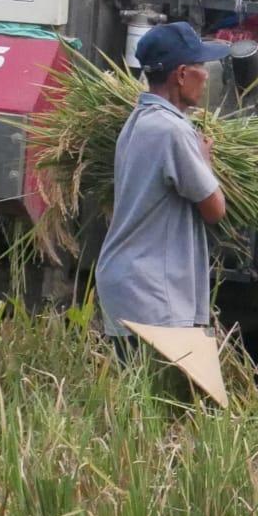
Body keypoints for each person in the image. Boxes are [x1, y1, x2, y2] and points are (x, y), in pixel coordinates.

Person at [94, 22, 228, 347]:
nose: (207, 75)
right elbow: (215, 209)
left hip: (131, 285)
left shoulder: (139, 120)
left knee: (140, 393)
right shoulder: (173, 131)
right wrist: (205, 161)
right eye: (200, 67)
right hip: (153, 293)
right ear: (181, 74)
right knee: (161, 396)